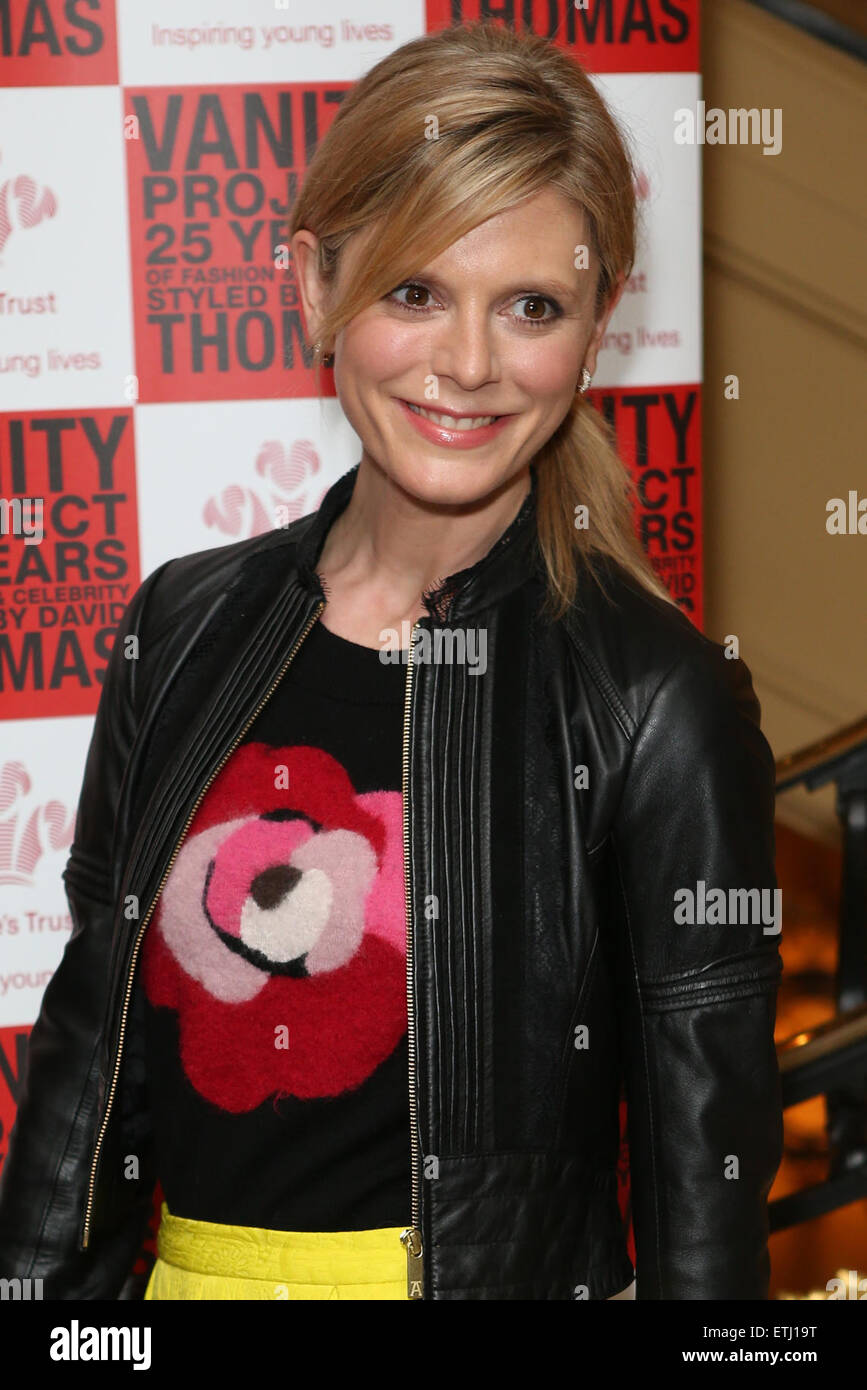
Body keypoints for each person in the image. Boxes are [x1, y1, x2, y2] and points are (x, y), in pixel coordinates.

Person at [0, 20, 783, 1301]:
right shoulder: (181, 626)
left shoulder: (655, 700)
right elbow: (87, 1084)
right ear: (315, 282)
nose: (469, 364)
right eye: (415, 290)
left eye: (532, 306)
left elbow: (713, 1207)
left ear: (595, 333)